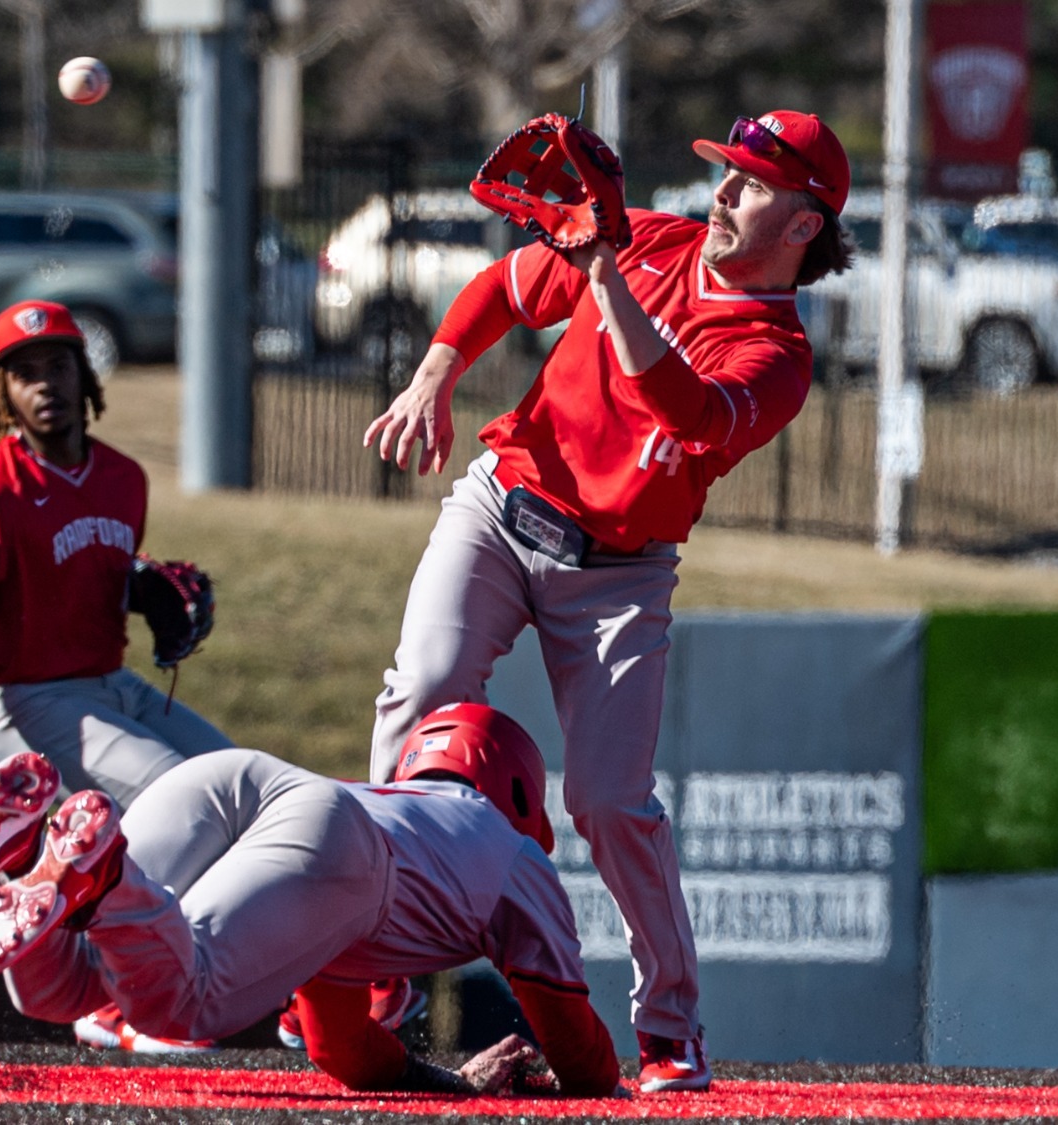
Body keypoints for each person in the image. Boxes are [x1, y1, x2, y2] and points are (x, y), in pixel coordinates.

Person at [358, 110, 855, 1093]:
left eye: (749, 185)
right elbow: (503, 288)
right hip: (505, 508)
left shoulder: (778, 355)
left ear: (802, 226)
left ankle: (671, 1029)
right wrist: (432, 376)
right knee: (416, 699)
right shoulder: (653, 241)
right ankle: (380, 967)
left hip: (619, 573)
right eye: (724, 173)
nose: (721, 193)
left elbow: (685, 407)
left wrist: (602, 272)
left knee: (609, 803)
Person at [0, 704, 626, 1098]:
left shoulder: (401, 812)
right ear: (517, 793)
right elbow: (578, 1052)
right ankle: (109, 876)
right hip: (338, 840)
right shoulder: (516, 856)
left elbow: (340, 1045)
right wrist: (496, 1082)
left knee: (67, 983)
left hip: (247, 778)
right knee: (176, 1002)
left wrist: (440, 1080)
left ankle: (16, 862)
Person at [0, 298, 233, 1049]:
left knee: (237, 781)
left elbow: (95, 579)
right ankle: (115, 997)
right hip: (27, 696)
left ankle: (177, 959)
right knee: (176, 800)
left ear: (85, 375)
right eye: (24, 373)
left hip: (110, 683)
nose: (44, 383)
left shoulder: (124, 478)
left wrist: (149, 590)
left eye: (57, 365)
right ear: (5, 395)